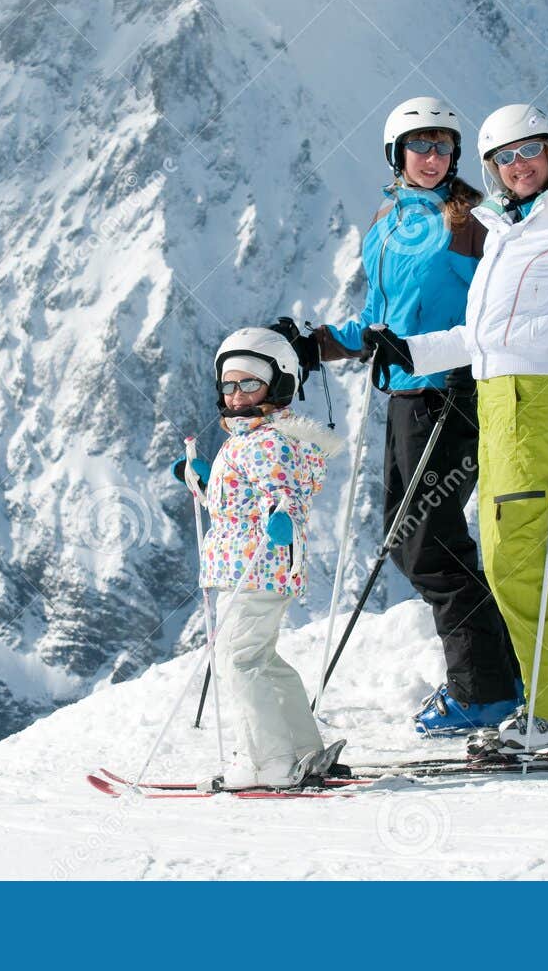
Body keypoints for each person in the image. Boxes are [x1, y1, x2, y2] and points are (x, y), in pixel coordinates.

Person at [363, 104, 548, 754]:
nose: (520, 164)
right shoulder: (506, 231)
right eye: (505, 157)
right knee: (511, 558)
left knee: (517, 557)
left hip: (535, 400)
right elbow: (480, 336)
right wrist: (409, 353)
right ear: (492, 170)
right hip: (497, 399)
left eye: (531, 150)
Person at [314, 96, 521, 736]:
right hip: (405, 393)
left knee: (429, 540)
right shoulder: (385, 221)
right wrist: (318, 342)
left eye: (442, 147)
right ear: (396, 155)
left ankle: (486, 691)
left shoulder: (473, 223)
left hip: (454, 388)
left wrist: (471, 356)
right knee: (409, 542)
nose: (432, 158)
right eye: (420, 146)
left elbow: (509, 302)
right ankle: (498, 675)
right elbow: (382, 320)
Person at [172, 326, 344, 788]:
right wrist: (204, 482)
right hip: (250, 566)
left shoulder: (268, 441)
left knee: (238, 660)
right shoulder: (246, 439)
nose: (237, 394)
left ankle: (268, 760)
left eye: (250, 383)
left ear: (280, 384)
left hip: (259, 568)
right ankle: (303, 748)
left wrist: (282, 515)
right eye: (229, 384)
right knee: (262, 661)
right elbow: (237, 507)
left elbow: (283, 494)